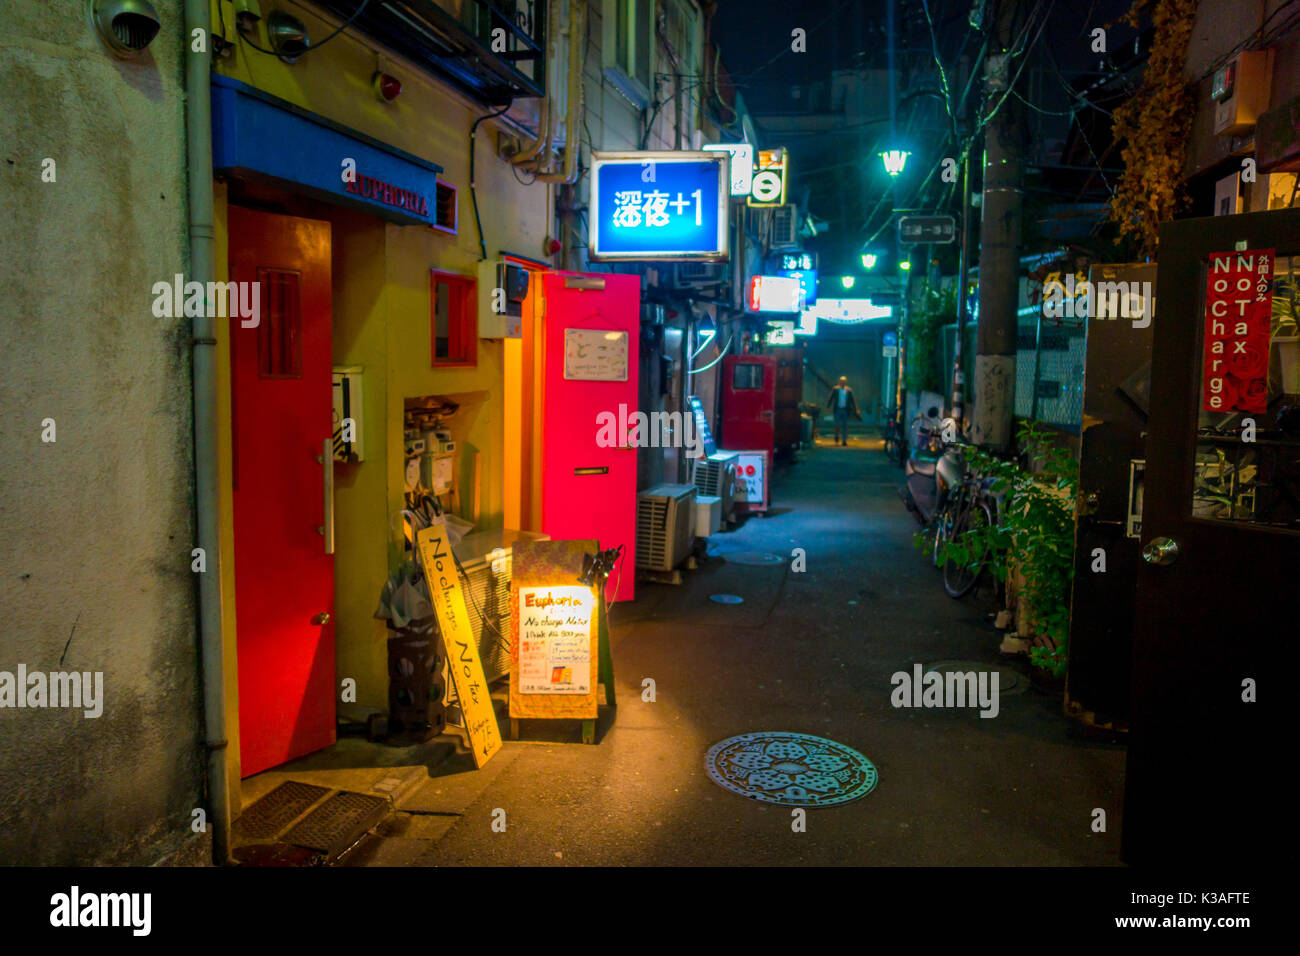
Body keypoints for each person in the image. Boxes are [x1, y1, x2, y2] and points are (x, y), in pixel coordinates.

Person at [825, 376, 860, 446]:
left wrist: (857, 409)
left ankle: (844, 440)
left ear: (846, 382)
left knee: (845, 425)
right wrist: (827, 408)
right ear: (839, 382)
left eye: (844, 381)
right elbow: (830, 398)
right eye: (842, 381)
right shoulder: (835, 389)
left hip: (845, 410)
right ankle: (837, 436)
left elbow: (853, 400)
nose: (843, 383)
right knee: (837, 424)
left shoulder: (849, 390)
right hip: (837, 409)